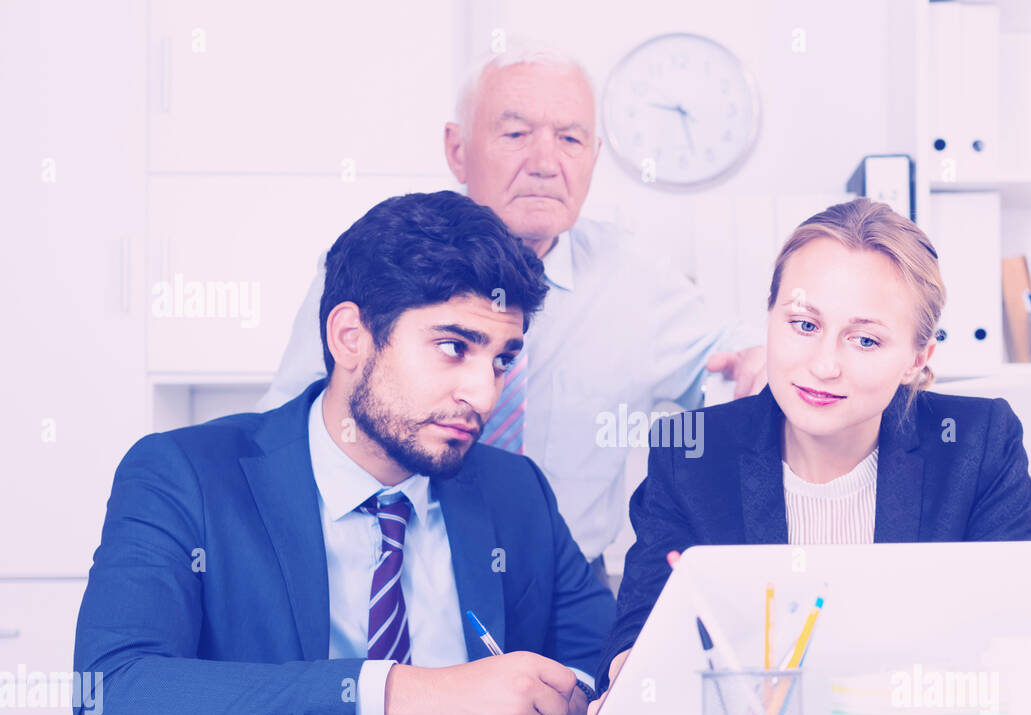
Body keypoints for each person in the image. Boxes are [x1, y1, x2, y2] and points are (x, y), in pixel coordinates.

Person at [73, 191, 615, 715]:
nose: (482, 394)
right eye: (453, 348)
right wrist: (396, 696)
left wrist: (581, 694)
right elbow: (111, 702)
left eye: (502, 360)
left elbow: (600, 665)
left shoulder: (516, 489)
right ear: (349, 337)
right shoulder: (184, 475)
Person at [258, 46, 766, 584]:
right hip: (393, 569)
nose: (546, 164)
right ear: (457, 149)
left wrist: (763, 355)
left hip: (563, 582)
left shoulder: (635, 278)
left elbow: (733, 358)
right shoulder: (382, 258)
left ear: (593, 155)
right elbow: (289, 424)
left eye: (570, 139)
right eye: (516, 134)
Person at [589, 198, 1031, 711]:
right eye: (804, 325)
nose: (824, 365)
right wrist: (632, 678)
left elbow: (1016, 639)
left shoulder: (978, 444)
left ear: (917, 360)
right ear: (769, 318)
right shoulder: (692, 455)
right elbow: (636, 631)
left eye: (865, 340)